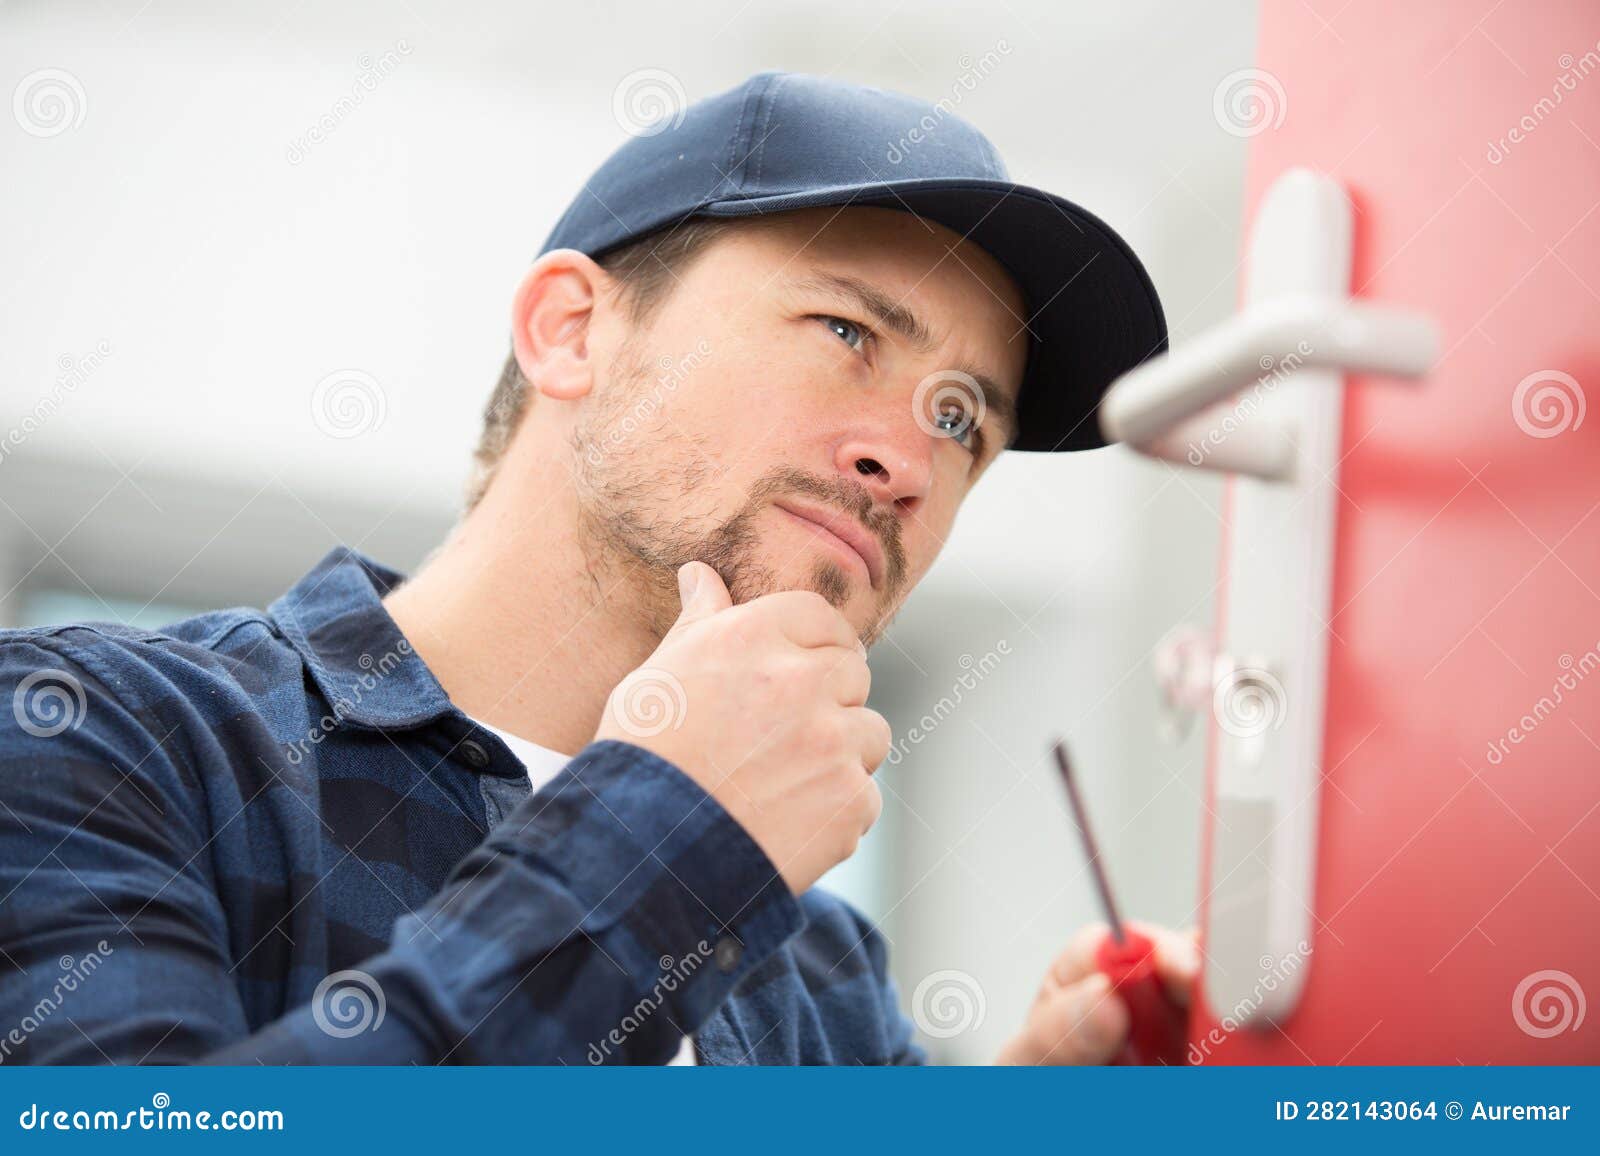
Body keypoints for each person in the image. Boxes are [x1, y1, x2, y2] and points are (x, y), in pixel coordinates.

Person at [0, 71, 1194, 1065]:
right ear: (572, 329)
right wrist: (667, 840)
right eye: (845, 333)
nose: (908, 460)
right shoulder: (93, 742)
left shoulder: (819, 971)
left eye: (960, 420)